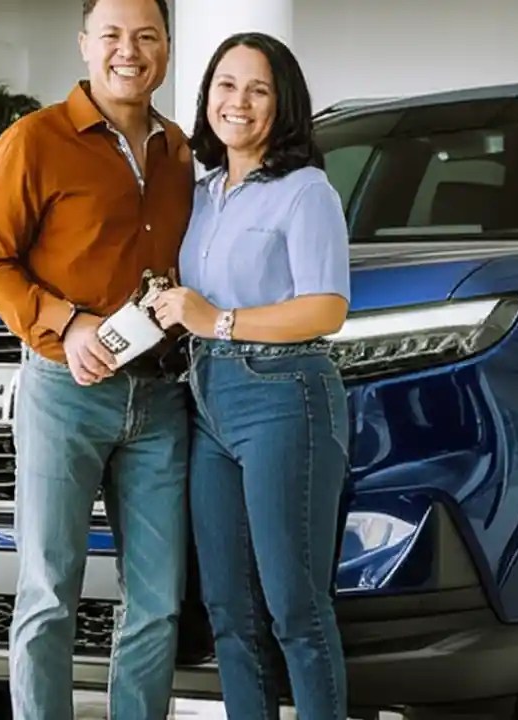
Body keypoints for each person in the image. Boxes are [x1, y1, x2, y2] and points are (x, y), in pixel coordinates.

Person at [0, 0, 193, 717]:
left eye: (147, 36)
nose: (131, 51)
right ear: (85, 46)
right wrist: (67, 323)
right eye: (114, 36)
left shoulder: (180, 151)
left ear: (166, 49)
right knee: (48, 592)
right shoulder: (34, 140)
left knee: (157, 602)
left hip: (160, 400)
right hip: (65, 391)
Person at [151, 31, 352, 720]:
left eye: (258, 89)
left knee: (295, 604)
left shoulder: (306, 192)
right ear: (207, 96)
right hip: (207, 399)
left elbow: (326, 307)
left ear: (282, 103)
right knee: (229, 610)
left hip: (284, 395)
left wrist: (220, 320)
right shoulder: (203, 194)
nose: (238, 102)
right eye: (226, 86)